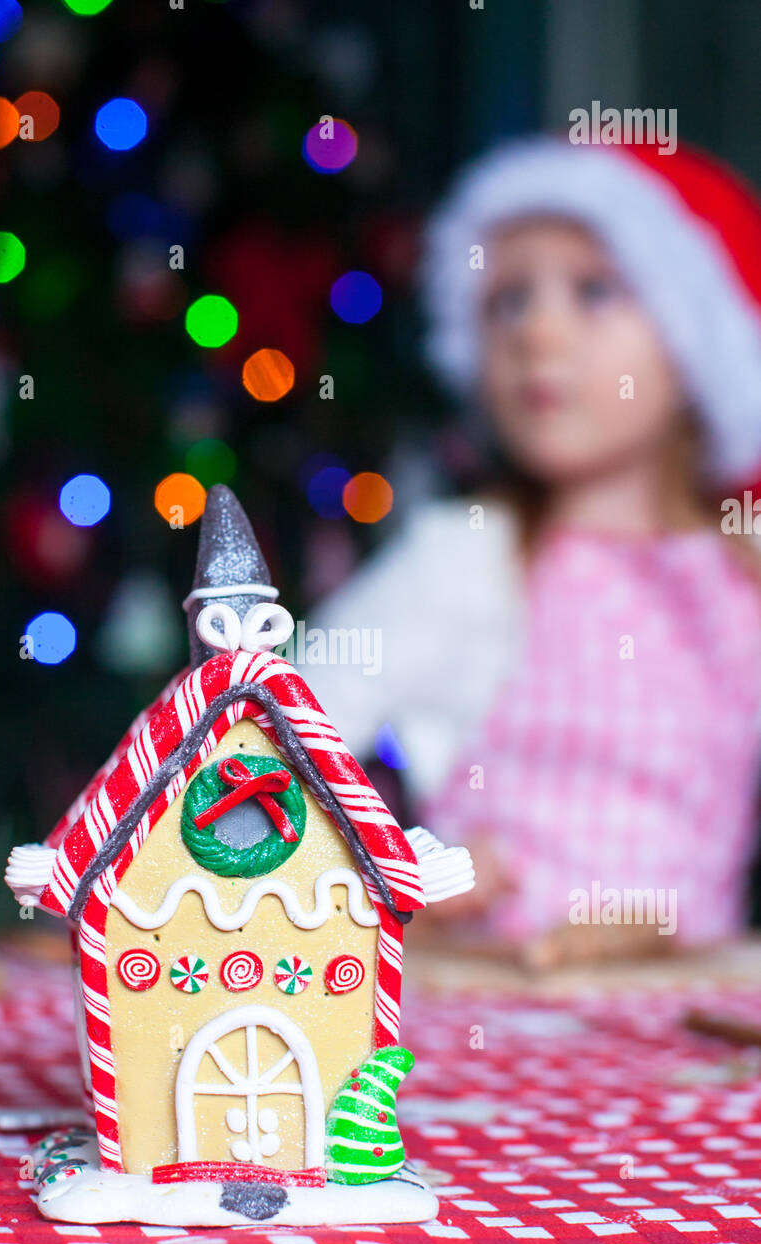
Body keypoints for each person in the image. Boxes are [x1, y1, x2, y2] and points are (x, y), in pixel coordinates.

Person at [303, 135, 761, 967]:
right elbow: (272, 732)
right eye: (508, 301)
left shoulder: (743, 573)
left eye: (593, 290)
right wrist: (398, 873)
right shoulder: (470, 557)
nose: (538, 333)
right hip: (493, 1014)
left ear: (700, 338)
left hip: (691, 1031)